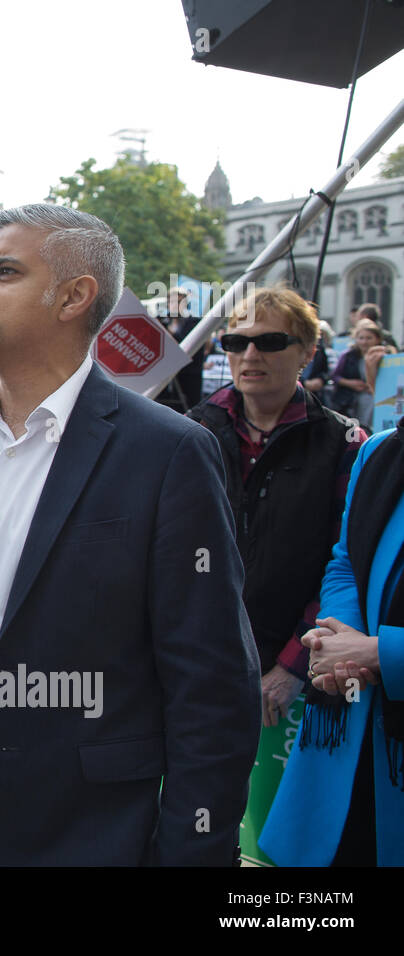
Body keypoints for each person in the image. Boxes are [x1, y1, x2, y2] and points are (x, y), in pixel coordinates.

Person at [0, 204, 260, 866]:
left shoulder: (167, 453)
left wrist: (191, 851)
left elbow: (212, 685)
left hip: (85, 827)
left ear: (75, 297)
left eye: (5, 270)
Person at [187, 287, 365, 730]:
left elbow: (346, 565)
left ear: (307, 351)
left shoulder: (345, 444)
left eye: (269, 342)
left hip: (294, 680)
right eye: (236, 342)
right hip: (193, 665)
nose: (250, 355)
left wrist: (291, 667)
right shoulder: (190, 432)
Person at [259, 423, 404, 865]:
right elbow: (345, 562)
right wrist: (341, 640)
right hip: (353, 731)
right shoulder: (382, 450)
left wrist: (380, 653)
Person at [330, 319, 384, 426]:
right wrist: (350, 383)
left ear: (377, 339)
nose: (364, 342)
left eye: (369, 338)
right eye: (361, 338)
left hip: (374, 400)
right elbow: (335, 376)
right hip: (350, 401)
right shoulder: (348, 355)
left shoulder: (384, 356)